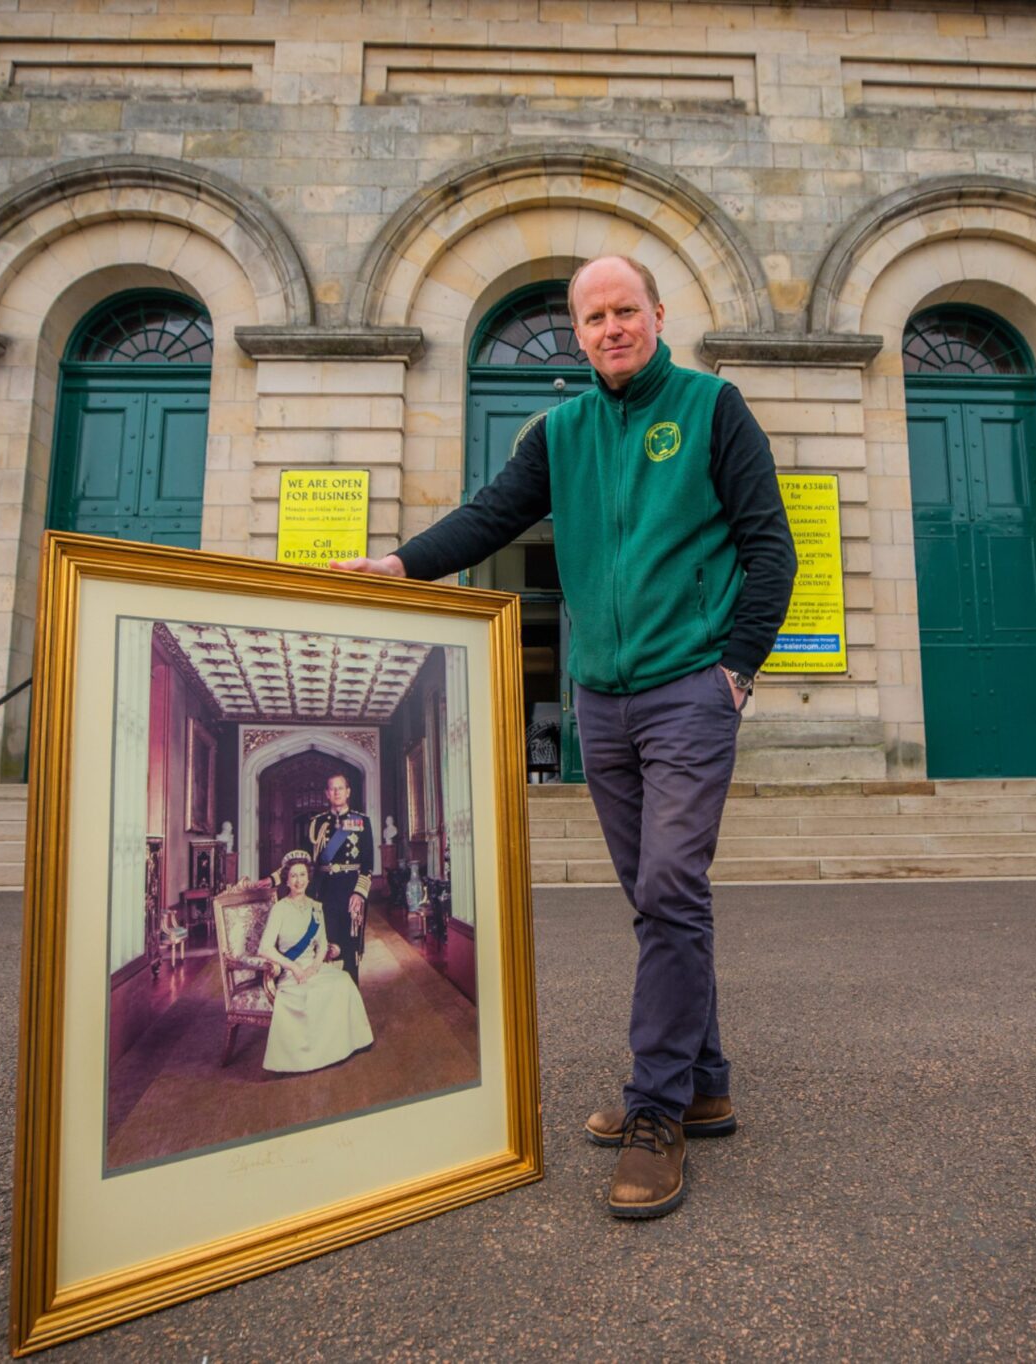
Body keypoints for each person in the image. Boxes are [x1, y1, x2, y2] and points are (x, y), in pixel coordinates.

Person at [333, 254, 797, 1219]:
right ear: (577, 333)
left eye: (626, 310)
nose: (611, 328)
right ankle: (705, 1080)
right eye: (593, 317)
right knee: (658, 897)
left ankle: (656, 1108)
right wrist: (404, 566)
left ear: (658, 316)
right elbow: (493, 517)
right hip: (604, 700)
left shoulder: (714, 409)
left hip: (689, 690)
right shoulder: (562, 431)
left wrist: (736, 669)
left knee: (670, 887)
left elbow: (770, 547)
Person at [258, 850, 374, 1074]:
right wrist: (295, 968)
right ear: (287, 880)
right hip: (290, 974)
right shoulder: (280, 908)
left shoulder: (316, 906)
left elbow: (322, 944)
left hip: (313, 967)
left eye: (302, 875)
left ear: (309, 878)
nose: (298, 880)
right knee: (311, 995)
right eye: (293, 876)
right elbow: (265, 948)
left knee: (343, 982)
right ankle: (308, 1058)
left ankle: (345, 1045)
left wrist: (314, 967)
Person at [304, 774, 374, 983]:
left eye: (340, 788)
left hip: (351, 891)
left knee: (350, 948)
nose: (336, 792)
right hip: (324, 891)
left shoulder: (361, 822)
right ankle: (328, 995)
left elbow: (368, 864)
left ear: (348, 792)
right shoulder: (316, 823)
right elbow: (307, 862)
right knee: (325, 946)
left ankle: (351, 994)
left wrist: (359, 893)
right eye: (332, 789)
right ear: (327, 793)